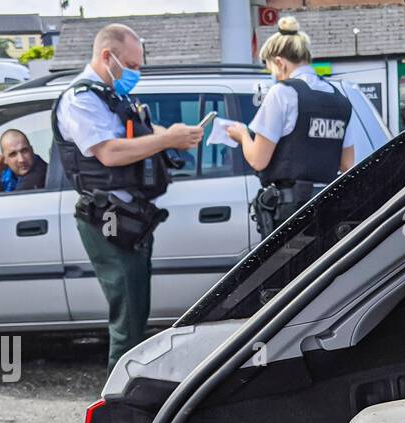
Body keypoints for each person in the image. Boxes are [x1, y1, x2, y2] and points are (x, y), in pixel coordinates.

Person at [51, 23, 203, 370]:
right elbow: (110, 153)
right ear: (107, 56)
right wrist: (167, 140)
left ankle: (133, 387)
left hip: (129, 216)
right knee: (127, 319)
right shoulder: (81, 100)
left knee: (136, 312)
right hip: (106, 217)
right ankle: (118, 402)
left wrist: (175, 134)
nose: (136, 72)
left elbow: (139, 134)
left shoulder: (110, 97)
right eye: (132, 65)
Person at [225, 17, 355, 237]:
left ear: (280, 62)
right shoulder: (340, 98)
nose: (274, 76)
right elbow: (347, 165)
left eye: (272, 70)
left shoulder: (283, 93)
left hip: (290, 211)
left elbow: (258, 159)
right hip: (329, 208)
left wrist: (242, 136)